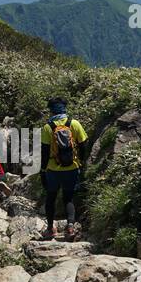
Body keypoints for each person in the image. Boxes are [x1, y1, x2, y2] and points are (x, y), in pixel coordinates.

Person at [38, 98, 88, 241]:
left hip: (53, 170)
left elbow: (45, 152)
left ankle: (50, 230)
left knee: (51, 198)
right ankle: (70, 228)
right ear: (64, 109)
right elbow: (83, 144)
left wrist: (42, 170)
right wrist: (81, 162)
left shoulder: (47, 127)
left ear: (52, 110)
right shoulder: (74, 123)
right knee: (68, 198)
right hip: (72, 167)